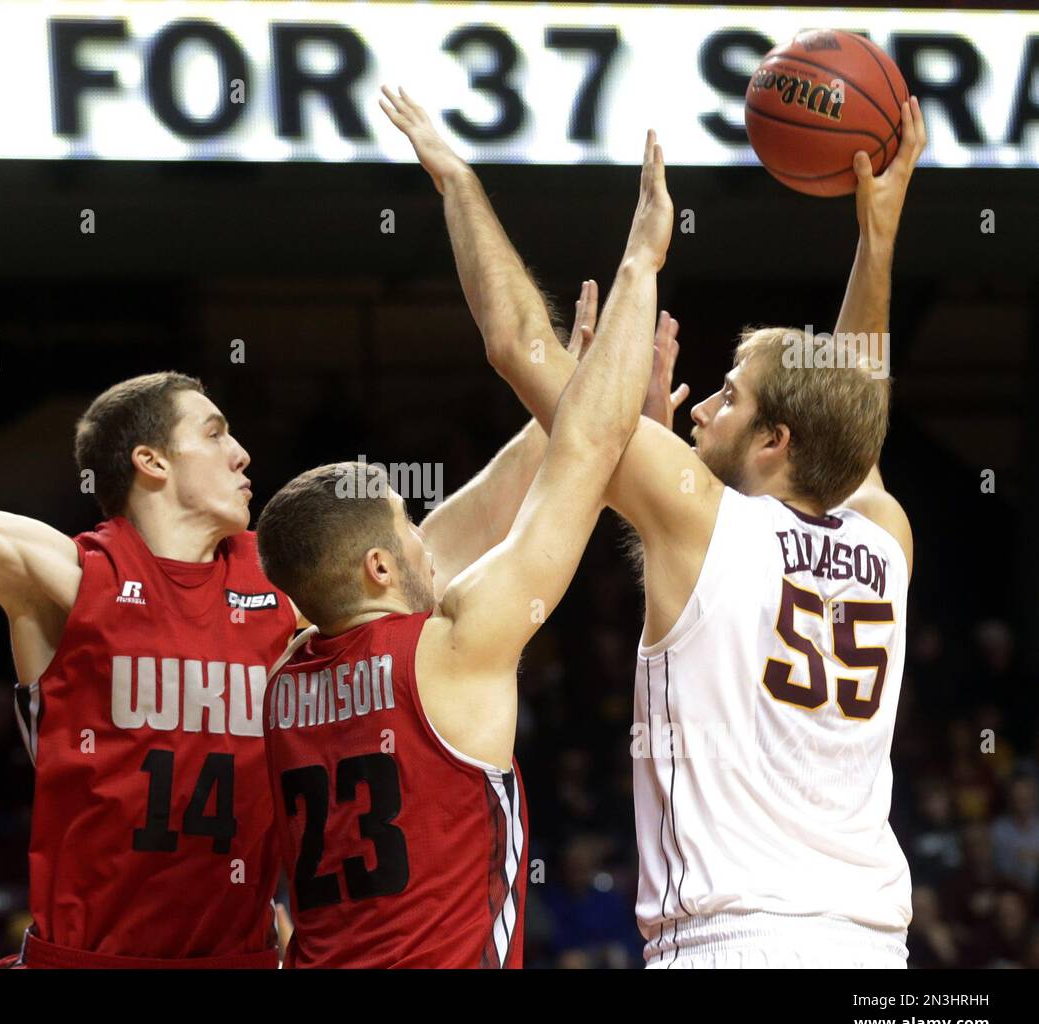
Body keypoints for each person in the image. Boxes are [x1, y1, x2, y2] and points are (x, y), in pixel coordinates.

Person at [0, 182, 585, 968]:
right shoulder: (66, 576)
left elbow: (450, 530)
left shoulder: (285, 591)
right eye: (214, 434)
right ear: (151, 461)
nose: (242, 453)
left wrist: (576, 399)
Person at [388, 82, 928, 968]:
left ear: (774, 440)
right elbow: (853, 408)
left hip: (732, 942)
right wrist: (877, 238)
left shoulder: (700, 516)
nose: (704, 405)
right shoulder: (883, 537)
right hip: (876, 951)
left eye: (729, 395)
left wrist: (460, 187)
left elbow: (519, 347)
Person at [253, 126, 672, 967]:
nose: (425, 530)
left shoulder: (284, 675)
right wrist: (642, 264)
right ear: (378, 565)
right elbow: (586, 451)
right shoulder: (452, 644)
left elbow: (479, 514)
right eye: (409, 521)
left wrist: (564, 399)